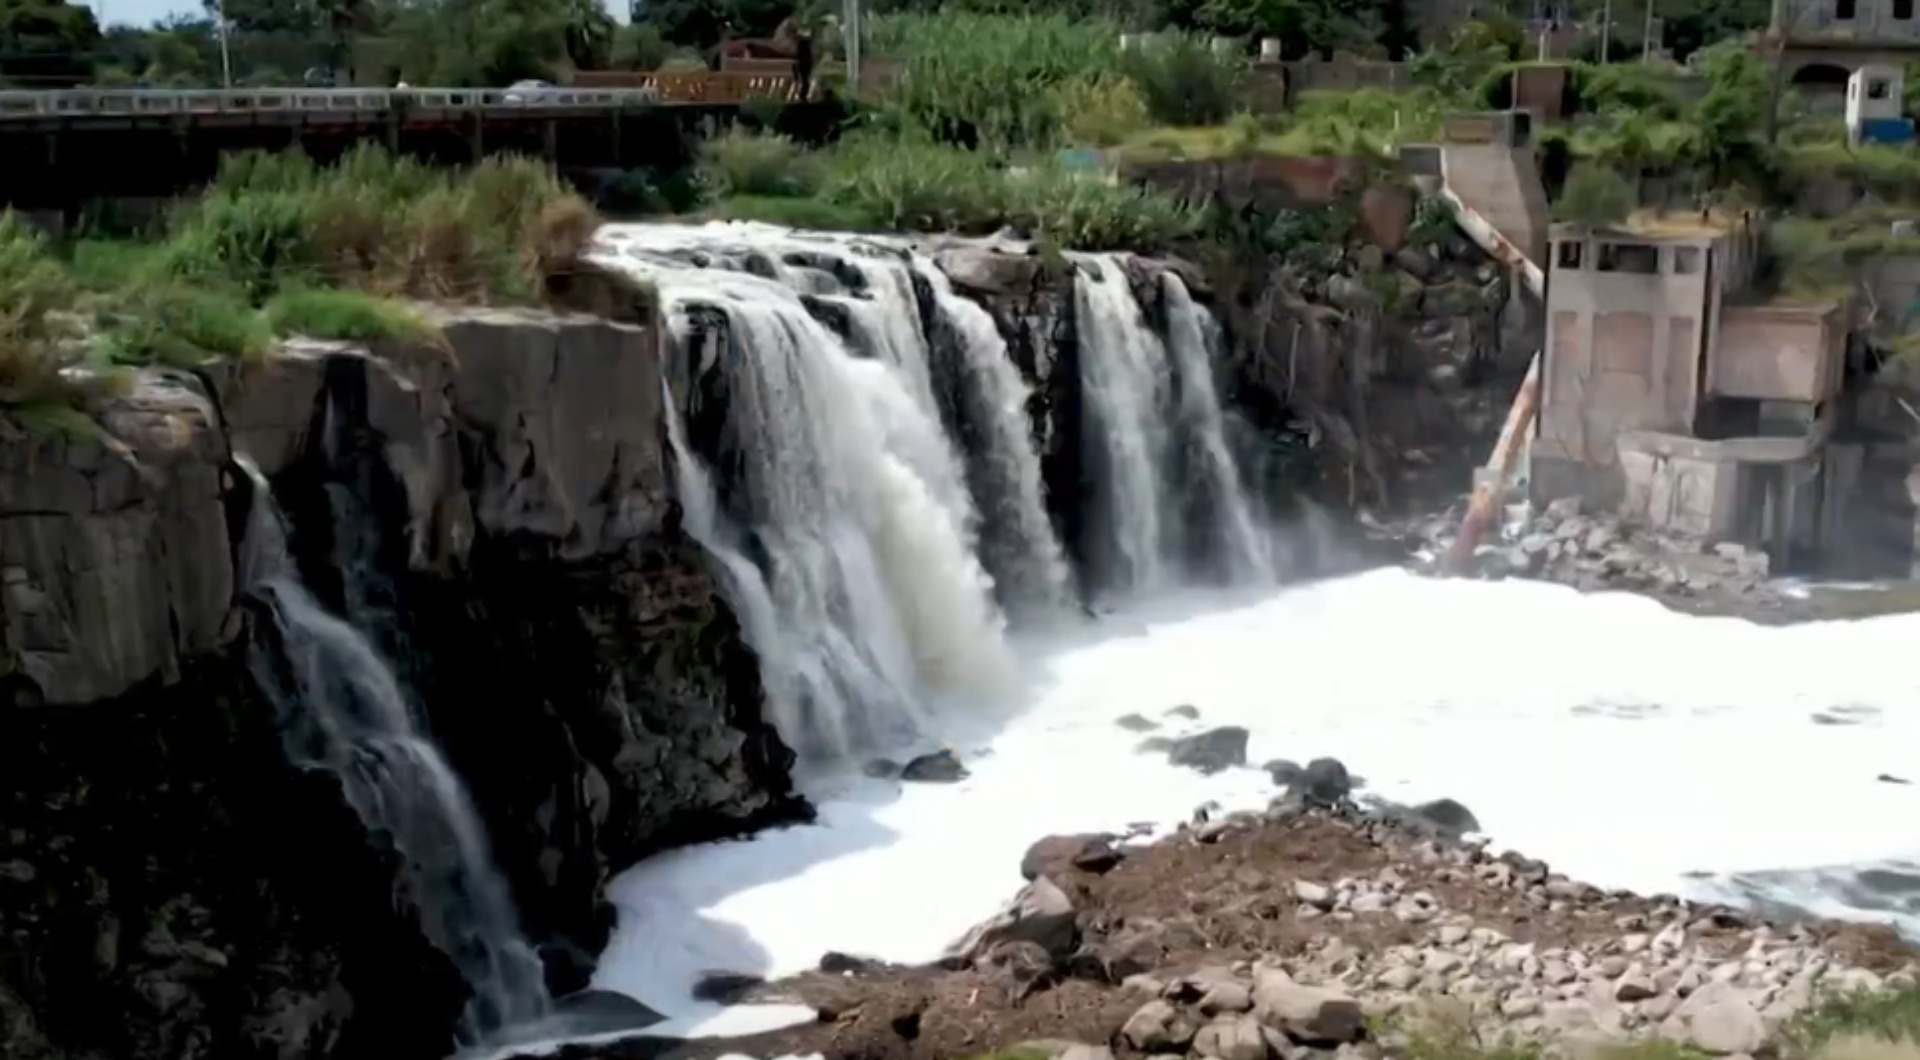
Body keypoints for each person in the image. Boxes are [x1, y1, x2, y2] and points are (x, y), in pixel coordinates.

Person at [795, 28, 815, 101]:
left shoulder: (802, 46)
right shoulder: (804, 47)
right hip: (805, 62)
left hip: (804, 62)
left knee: (805, 79)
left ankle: (803, 95)